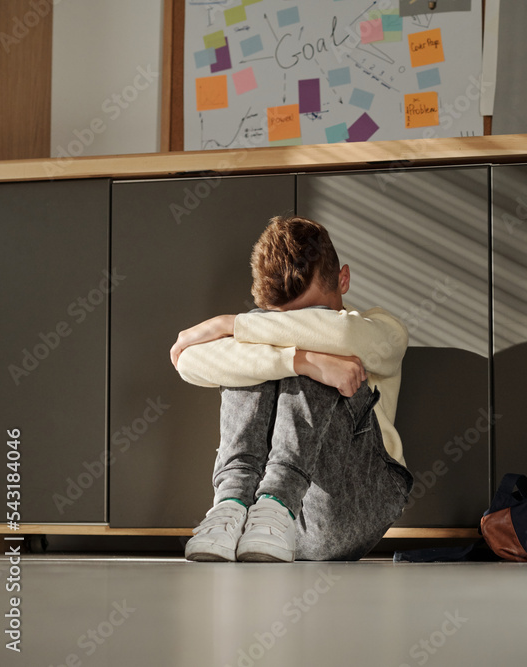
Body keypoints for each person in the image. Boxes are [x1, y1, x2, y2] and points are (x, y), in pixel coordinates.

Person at [170, 215, 412, 562]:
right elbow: (189, 361)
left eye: (310, 314)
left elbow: (341, 333)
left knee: (316, 353)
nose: (288, 326)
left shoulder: (381, 329)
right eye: (279, 318)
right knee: (262, 360)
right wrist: (300, 360)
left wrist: (231, 324)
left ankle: (277, 499)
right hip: (258, 523)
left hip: (353, 504)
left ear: (343, 279)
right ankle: (232, 502)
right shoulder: (264, 333)